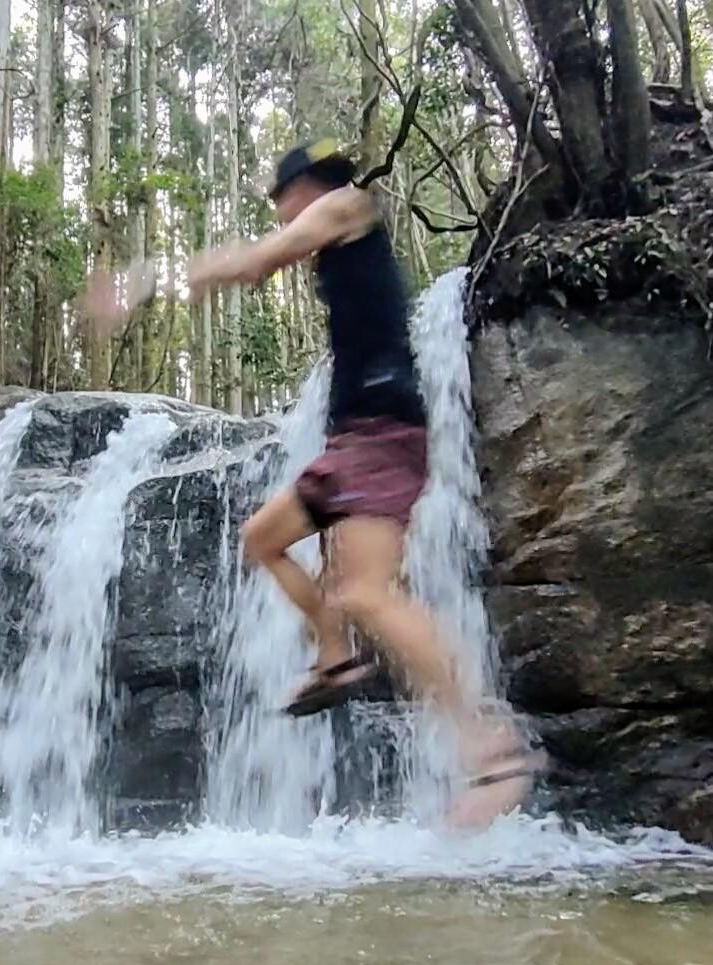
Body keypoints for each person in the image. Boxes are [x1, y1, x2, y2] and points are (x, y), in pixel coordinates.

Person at [83, 138, 544, 827]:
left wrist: (152, 277)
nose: (281, 209)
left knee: (367, 590)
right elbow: (261, 266)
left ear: (305, 187)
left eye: (282, 195)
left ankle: (493, 751)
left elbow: (260, 260)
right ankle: (335, 657)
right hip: (351, 438)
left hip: (385, 434)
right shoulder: (334, 234)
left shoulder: (346, 206)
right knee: (261, 538)